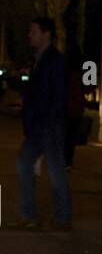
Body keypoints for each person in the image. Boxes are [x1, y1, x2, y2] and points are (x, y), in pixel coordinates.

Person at [9, 16, 71, 230]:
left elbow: (58, 95)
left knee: (55, 171)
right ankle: (29, 215)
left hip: (49, 125)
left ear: (46, 34)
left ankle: (62, 218)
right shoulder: (38, 59)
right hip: (37, 126)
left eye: (33, 31)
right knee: (24, 163)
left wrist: (48, 118)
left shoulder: (55, 60)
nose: (29, 35)